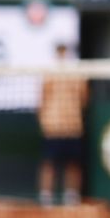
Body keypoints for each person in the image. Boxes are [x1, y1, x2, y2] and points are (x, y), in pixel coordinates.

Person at [37, 44, 89, 208]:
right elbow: (42, 98)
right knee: (49, 162)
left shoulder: (77, 72)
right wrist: (44, 120)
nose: (63, 55)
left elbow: (84, 97)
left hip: (72, 125)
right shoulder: (49, 73)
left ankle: (71, 195)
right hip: (53, 125)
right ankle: (46, 196)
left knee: (73, 163)